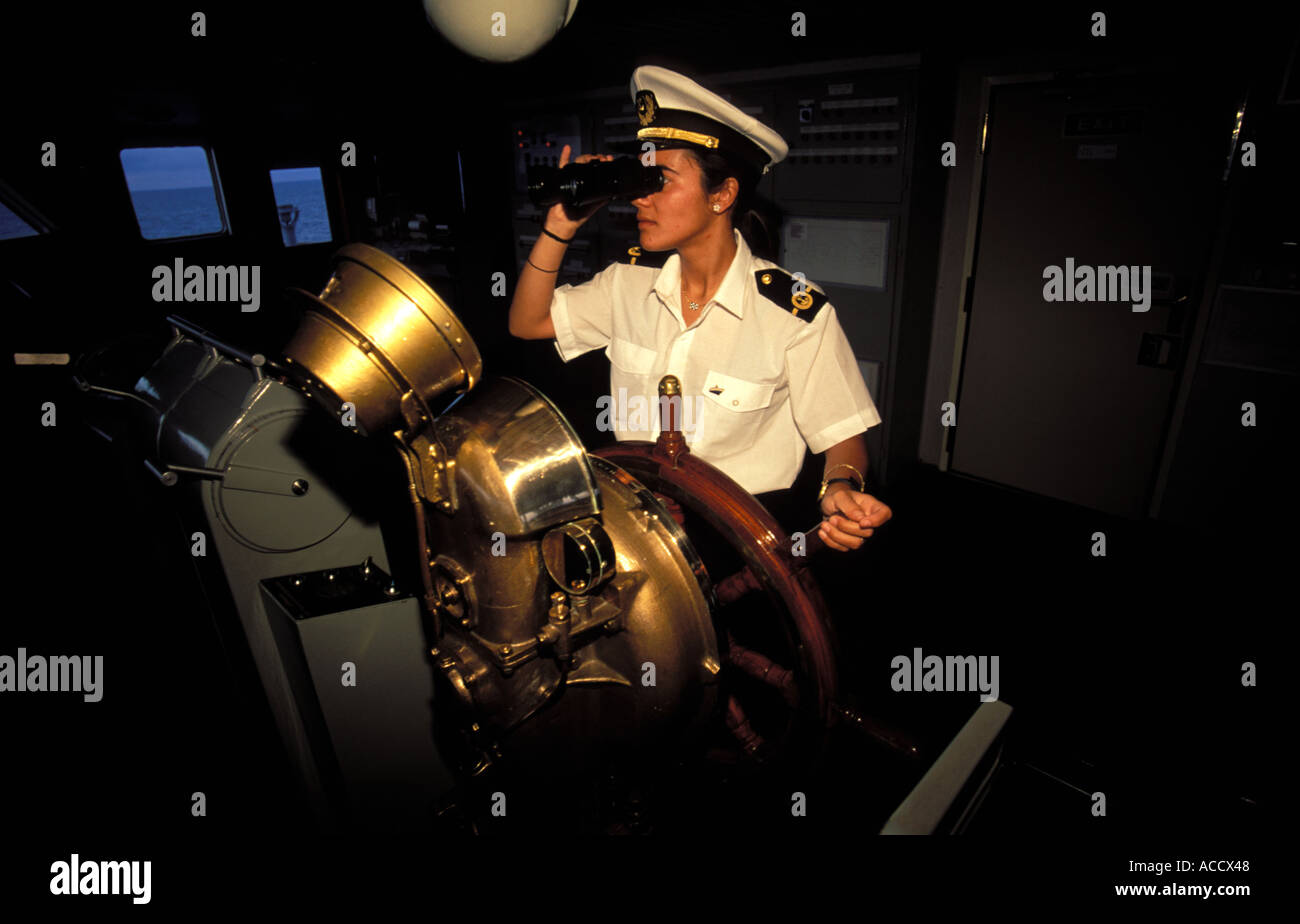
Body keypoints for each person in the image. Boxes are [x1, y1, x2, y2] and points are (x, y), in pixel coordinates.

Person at [509, 65, 891, 552]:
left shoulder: (792, 313)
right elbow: (526, 324)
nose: (639, 199)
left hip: (736, 537)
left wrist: (840, 488)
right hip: (631, 519)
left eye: (660, 180)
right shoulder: (628, 284)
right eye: (641, 179)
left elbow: (842, 434)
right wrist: (560, 227)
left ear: (723, 194)